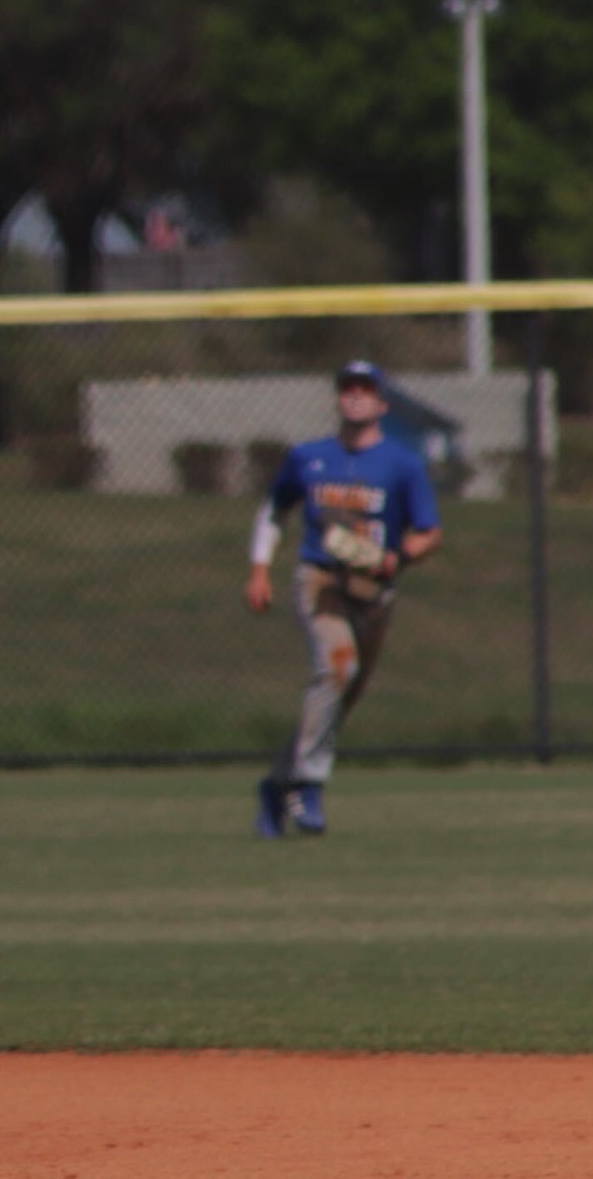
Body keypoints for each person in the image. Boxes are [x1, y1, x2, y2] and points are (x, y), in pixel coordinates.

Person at [243, 359, 443, 838]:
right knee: (336, 668)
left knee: (339, 697)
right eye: (347, 388)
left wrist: (398, 557)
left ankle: (276, 786)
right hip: (322, 580)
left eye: (365, 389)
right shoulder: (308, 457)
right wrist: (259, 570)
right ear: (338, 399)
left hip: (374, 590)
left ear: (381, 402)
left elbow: (429, 533)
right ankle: (308, 785)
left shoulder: (401, 463)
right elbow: (274, 512)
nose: (354, 396)